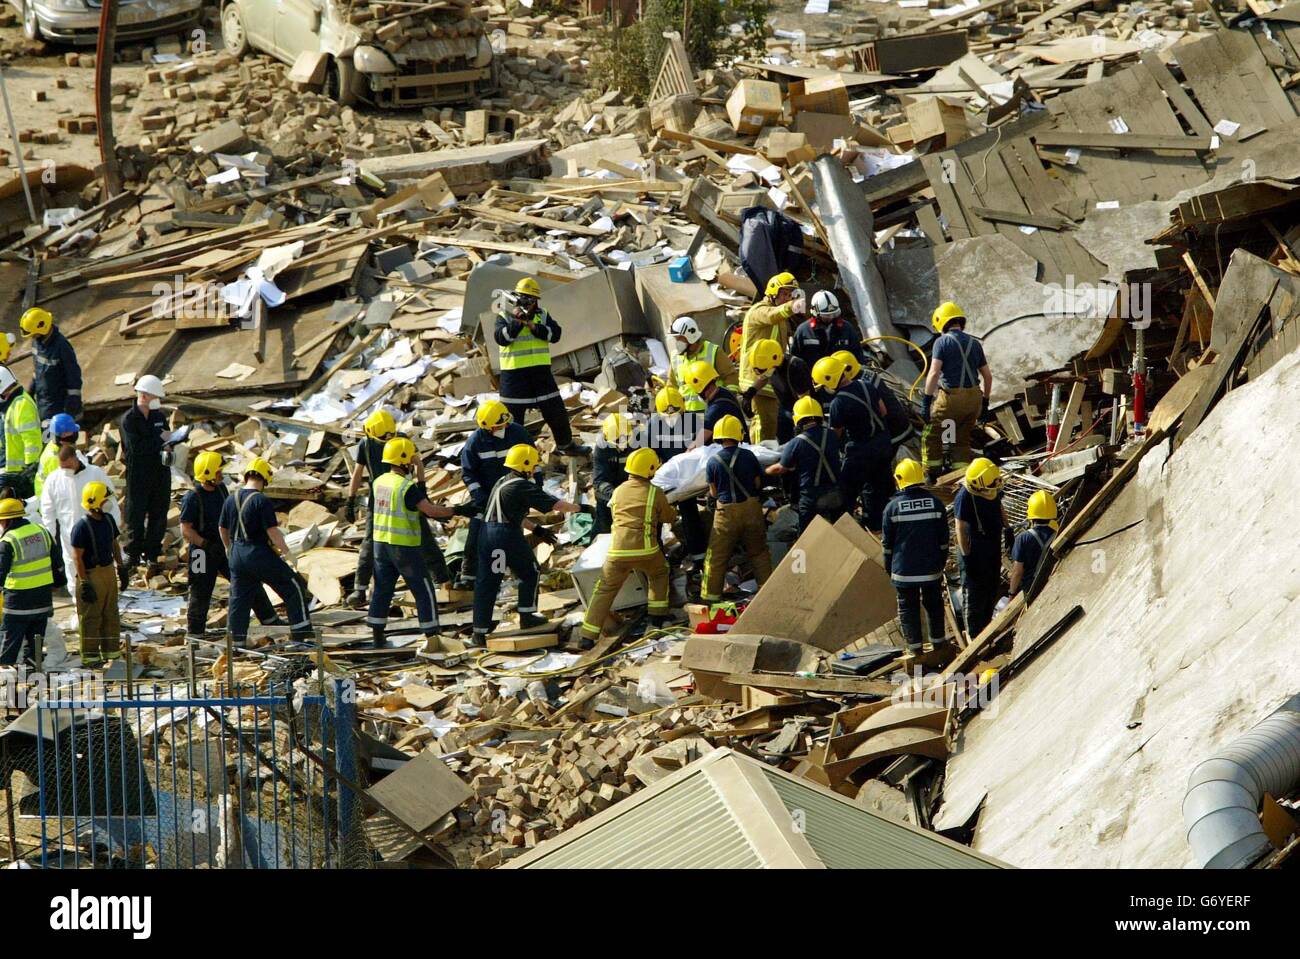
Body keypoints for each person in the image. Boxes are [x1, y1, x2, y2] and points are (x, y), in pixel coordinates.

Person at [471, 444, 584, 647]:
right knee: (529, 572)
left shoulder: (503, 482)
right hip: (505, 536)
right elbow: (556, 505)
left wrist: (536, 530)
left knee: (489, 580)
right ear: (525, 465)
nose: (534, 470)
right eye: (533, 466)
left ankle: (479, 632)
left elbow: (512, 514)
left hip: (488, 535)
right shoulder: (521, 485)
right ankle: (527, 616)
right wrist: (580, 507)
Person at [344, 409, 448, 606]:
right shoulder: (366, 445)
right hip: (384, 499)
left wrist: (421, 488)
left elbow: (417, 463)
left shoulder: (397, 440)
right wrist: (350, 499)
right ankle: (360, 590)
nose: (386, 440)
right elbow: (357, 473)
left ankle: (443, 580)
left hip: (400, 495)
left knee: (423, 537)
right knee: (370, 543)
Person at [367, 437, 460, 651]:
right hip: (404, 546)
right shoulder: (405, 487)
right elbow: (430, 510)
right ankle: (432, 634)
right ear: (404, 460)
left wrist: (417, 471)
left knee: (382, 588)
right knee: (423, 588)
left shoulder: (378, 482)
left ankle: (377, 636)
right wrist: (459, 510)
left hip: (381, 544)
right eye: (411, 458)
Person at [179, 451, 280, 643]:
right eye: (218, 472)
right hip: (201, 551)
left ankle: (269, 618)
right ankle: (195, 633)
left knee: (247, 579)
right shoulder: (192, 497)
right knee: (200, 589)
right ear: (208, 474)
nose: (221, 475)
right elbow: (186, 530)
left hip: (224, 545)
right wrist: (206, 544)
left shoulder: (221, 489)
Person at [579, 448, 675, 645]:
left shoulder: (618, 491)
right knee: (659, 573)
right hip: (646, 550)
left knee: (604, 589)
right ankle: (657, 616)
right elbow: (668, 517)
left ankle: (587, 636)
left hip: (617, 552)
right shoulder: (654, 492)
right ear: (650, 470)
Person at [219, 458, 314, 648]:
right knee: (292, 586)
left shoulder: (231, 498)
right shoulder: (261, 500)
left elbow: (222, 528)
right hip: (257, 552)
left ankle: (235, 642)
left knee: (240, 597)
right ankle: (301, 635)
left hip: (236, 553)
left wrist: (229, 548)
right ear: (265, 478)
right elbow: (272, 532)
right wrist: (288, 554)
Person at [494, 276, 586, 456]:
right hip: (514, 377)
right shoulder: (505, 315)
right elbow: (502, 338)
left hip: (540, 374)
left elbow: (555, 334)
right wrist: (517, 322)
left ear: (536, 301)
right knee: (512, 420)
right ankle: (513, 455)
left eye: (530, 299)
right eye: (523, 298)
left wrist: (532, 325)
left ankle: (566, 445)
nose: (527, 303)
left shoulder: (542, 315)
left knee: (556, 412)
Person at [457, 399, 532, 591]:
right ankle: (469, 574)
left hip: (512, 494)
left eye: (505, 423)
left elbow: (533, 462)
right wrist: (479, 496)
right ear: (486, 427)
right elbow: (468, 472)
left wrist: (532, 489)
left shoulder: (518, 433)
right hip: (486, 496)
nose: (503, 428)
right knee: (477, 531)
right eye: (498, 426)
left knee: (513, 533)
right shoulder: (475, 442)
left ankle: (516, 572)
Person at [814, 354, 893, 533]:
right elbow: (883, 410)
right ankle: (876, 527)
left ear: (830, 380)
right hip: (883, 443)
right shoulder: (867, 385)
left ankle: (844, 527)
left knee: (846, 489)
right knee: (876, 487)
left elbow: (836, 435)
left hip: (861, 450)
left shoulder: (838, 403)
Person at [881, 459, 950, 660]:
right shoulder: (936, 504)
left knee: (908, 607)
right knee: (934, 604)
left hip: (903, 572)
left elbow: (887, 545)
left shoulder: (892, 508)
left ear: (899, 480)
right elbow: (944, 541)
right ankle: (939, 644)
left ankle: (915, 649)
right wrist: (940, 562)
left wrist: (889, 568)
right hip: (931, 569)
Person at [702, 415, 771, 603]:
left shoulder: (713, 461)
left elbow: (713, 492)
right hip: (751, 510)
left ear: (718, 437)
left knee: (716, 557)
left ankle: (711, 596)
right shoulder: (748, 456)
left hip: (726, 514)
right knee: (758, 552)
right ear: (739, 434)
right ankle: (767, 590)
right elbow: (757, 482)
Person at [921, 302, 992, 482]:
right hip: (974, 398)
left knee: (931, 433)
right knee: (960, 438)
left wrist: (926, 402)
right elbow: (988, 376)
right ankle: (959, 475)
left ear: (941, 323)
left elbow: (934, 372)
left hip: (952, 399)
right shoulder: (974, 343)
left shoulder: (941, 342)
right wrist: (985, 403)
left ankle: (933, 474)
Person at [40, 443, 122, 595]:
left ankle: (106, 599)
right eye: (62, 466)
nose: (64, 470)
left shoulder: (94, 474)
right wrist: (50, 535)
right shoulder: (54, 479)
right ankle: (78, 605)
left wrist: (113, 526)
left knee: (102, 565)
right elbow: (47, 509)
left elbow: (110, 501)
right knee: (73, 568)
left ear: (75, 459)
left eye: (67, 466)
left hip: (96, 532)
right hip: (70, 535)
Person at [738, 272, 805, 443]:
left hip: (768, 380)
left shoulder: (781, 318)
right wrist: (792, 306)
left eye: (790, 295)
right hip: (756, 380)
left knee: (772, 426)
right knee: (763, 426)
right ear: (773, 292)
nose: (788, 298)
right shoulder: (758, 311)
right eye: (784, 293)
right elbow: (770, 315)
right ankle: (759, 462)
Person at [120, 374, 174, 576]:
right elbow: (136, 448)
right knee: (135, 514)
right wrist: (159, 443)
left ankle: (151, 553)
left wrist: (171, 443)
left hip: (160, 472)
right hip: (138, 474)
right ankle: (132, 554)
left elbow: (166, 437)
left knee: (158, 513)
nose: (157, 401)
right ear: (144, 396)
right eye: (154, 396)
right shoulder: (128, 420)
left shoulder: (159, 417)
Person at [0, 498, 63, 667]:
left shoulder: (8, 541)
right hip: (42, 600)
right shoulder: (41, 531)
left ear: (6, 520)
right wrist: (58, 583)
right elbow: (57, 562)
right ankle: (32, 674)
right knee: (35, 643)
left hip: (17, 603)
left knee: (10, 645)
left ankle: (6, 678)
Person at [648, 387, 706, 568]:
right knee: (655, 516)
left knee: (690, 513)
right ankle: (658, 560)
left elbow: (705, 448)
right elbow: (650, 454)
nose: (671, 418)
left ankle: (699, 556)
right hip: (668, 478)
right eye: (667, 415)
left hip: (690, 476)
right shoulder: (653, 425)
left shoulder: (693, 420)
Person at [767, 396, 843, 532]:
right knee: (839, 531)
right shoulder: (831, 435)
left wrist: (764, 471)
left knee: (806, 536)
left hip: (811, 497)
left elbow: (781, 468)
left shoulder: (797, 442)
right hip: (835, 492)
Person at [70, 482, 125, 669]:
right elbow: (77, 557)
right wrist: (84, 583)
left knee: (111, 614)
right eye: (104, 500)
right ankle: (91, 658)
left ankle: (112, 654)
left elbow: (114, 543)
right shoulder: (81, 527)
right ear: (94, 502)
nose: (108, 503)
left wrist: (121, 566)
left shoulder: (108, 520)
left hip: (108, 572)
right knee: (91, 618)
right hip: (91, 574)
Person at [954, 458, 1006, 639]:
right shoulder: (964, 497)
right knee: (975, 594)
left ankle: (988, 629)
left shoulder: (991, 486)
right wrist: (966, 555)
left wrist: (1007, 528)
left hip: (992, 544)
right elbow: (960, 527)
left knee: (992, 587)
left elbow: (999, 504)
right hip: (975, 549)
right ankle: (975, 637)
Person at [743, 338, 812, 446]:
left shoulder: (795, 367)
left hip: (803, 412)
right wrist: (750, 393)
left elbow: (805, 399)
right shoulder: (772, 366)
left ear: (775, 359)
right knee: (782, 443)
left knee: (800, 447)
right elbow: (764, 377)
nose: (762, 374)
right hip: (785, 409)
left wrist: (801, 422)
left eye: (763, 370)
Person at [21, 307, 82, 423]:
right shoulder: (37, 343)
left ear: (42, 328)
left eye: (35, 334)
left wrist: (72, 405)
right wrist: (30, 390)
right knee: (46, 436)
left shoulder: (62, 347)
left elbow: (73, 376)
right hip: (43, 401)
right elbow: (38, 369)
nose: (33, 337)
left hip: (58, 404)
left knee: (56, 438)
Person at [666, 316, 734, 414]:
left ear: (689, 336)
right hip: (688, 413)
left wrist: (728, 399)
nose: (677, 342)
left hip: (713, 409)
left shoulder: (713, 351)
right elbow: (672, 384)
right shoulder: (675, 356)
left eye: (678, 338)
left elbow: (730, 375)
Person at [789, 291, 861, 370]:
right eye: (826, 315)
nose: (830, 317)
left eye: (833, 314)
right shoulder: (803, 331)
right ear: (815, 312)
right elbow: (795, 360)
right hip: (812, 379)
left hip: (842, 378)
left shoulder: (847, 328)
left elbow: (858, 356)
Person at [0, 365, 42, 499]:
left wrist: (30, 469)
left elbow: (32, 441)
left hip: (19, 473)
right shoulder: (10, 404)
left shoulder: (21, 404)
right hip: (9, 470)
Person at [685, 361, 748, 447]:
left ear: (700, 388)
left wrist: (680, 458)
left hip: (737, 452)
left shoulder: (716, 408)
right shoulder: (723, 392)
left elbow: (697, 443)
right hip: (740, 446)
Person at [1009, 490, 1057, 597]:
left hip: (1033, 588)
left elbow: (1017, 572)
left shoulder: (1023, 538)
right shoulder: (1058, 534)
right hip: (1053, 582)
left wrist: (1011, 594)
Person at [593, 412, 633, 535]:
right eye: (617, 439)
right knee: (604, 531)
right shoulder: (601, 449)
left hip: (631, 491)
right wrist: (617, 495)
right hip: (608, 497)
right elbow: (599, 481)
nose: (622, 442)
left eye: (625, 437)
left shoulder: (637, 442)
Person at [35, 412, 83, 499]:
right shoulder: (54, 458)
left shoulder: (59, 445)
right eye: (72, 431)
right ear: (64, 435)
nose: (75, 433)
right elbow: (64, 485)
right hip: (51, 501)